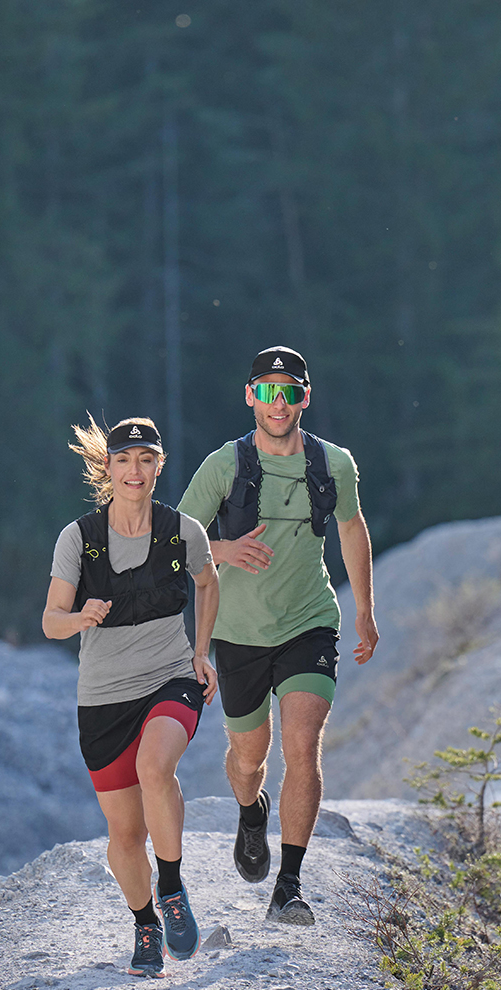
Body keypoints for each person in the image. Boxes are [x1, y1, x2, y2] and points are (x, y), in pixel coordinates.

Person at [179, 346, 377, 925]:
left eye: (288, 392)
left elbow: (352, 527)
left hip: (309, 623)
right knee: (248, 756)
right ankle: (250, 810)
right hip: (238, 633)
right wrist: (224, 549)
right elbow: (173, 540)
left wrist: (365, 609)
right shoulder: (226, 465)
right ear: (250, 397)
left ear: (304, 399)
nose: (278, 402)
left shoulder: (333, 464)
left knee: (300, 746)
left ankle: (288, 885)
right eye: (267, 391)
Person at [42, 416, 220, 977]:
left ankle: (171, 888)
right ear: (109, 468)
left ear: (159, 466)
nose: (135, 470)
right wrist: (80, 617)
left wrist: (201, 651)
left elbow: (209, 583)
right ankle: (145, 925)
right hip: (102, 701)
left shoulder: (183, 531)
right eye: (124, 460)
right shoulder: (79, 538)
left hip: (170, 678)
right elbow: (50, 622)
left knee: (155, 766)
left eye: (146, 460)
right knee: (125, 833)